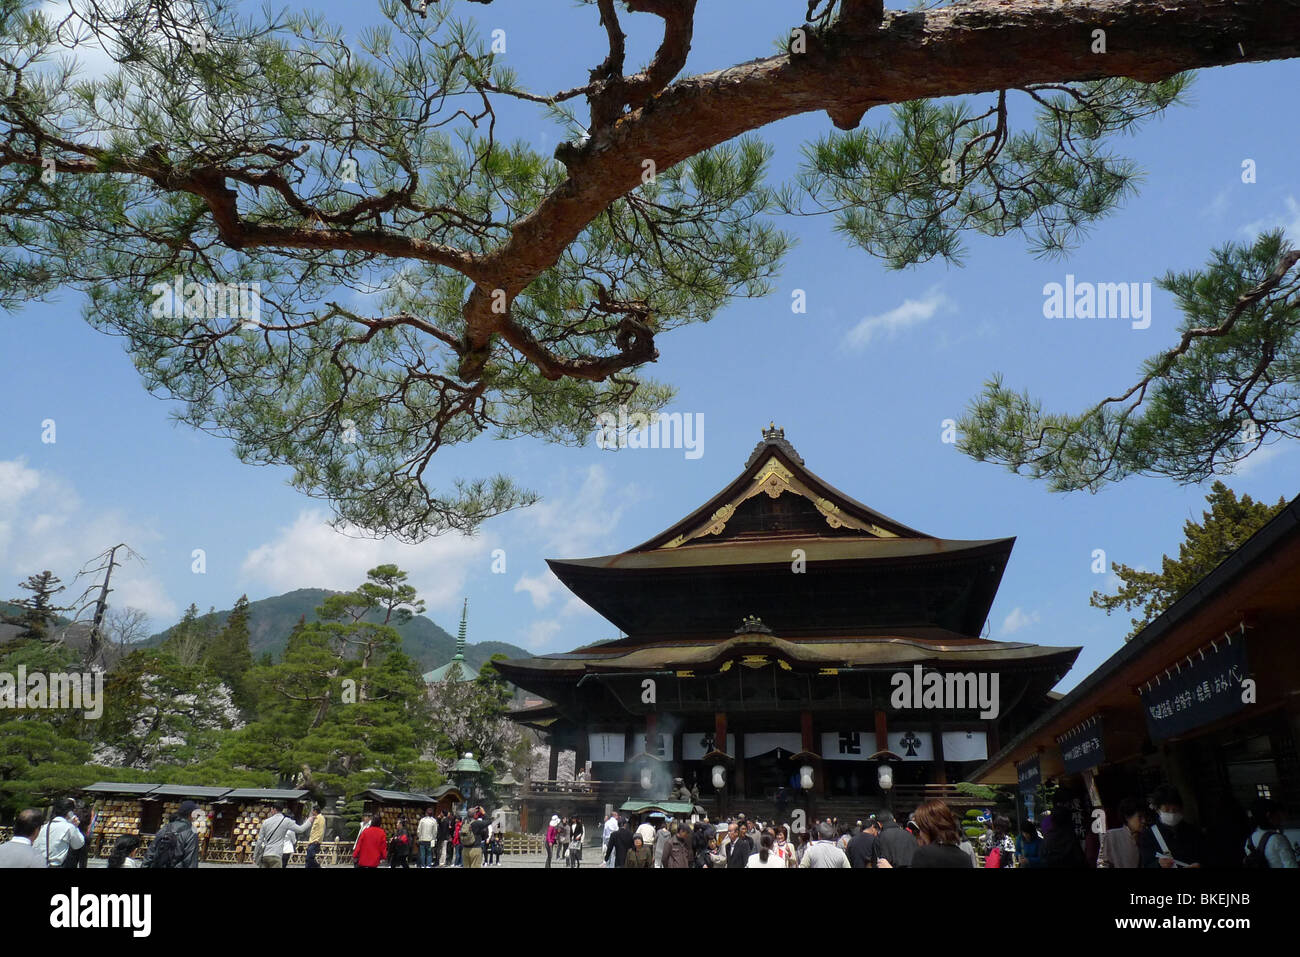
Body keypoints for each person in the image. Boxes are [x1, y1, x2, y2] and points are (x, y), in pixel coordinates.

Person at [884, 799, 970, 869]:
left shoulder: (924, 854)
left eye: (920, 829)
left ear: (928, 828)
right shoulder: (965, 857)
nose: (919, 834)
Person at [1139, 786, 1204, 868]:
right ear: (1157, 810)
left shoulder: (1193, 831)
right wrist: (1158, 864)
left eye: (1175, 810)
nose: (1172, 813)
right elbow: (1147, 864)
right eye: (1166, 810)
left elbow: (1206, 856)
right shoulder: (1148, 836)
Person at [252, 804, 311, 869]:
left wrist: (255, 856)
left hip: (265, 854)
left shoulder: (266, 822)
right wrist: (309, 821)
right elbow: (300, 829)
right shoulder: (286, 821)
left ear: (274, 809)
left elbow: (259, 841)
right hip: (276, 854)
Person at [1244, 797, 1296, 868]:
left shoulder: (1250, 840)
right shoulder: (1278, 839)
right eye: (1277, 814)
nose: (1280, 818)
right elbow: (1291, 865)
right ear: (1269, 815)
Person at [35, 797, 85, 867]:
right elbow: (78, 844)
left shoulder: (45, 826)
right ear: (70, 812)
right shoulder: (69, 827)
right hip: (56, 865)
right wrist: (75, 826)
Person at [1098, 798, 1144, 869]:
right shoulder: (1111, 836)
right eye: (1140, 817)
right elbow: (1102, 864)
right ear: (1127, 817)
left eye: (1144, 817)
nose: (1144, 821)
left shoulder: (1146, 837)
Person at [304, 804, 327, 869]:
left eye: (313, 811)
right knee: (309, 858)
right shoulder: (316, 818)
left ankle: (318, 866)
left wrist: (318, 839)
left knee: (309, 858)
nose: (312, 812)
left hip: (315, 841)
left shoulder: (321, 818)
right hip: (312, 840)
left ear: (315, 811)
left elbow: (321, 830)